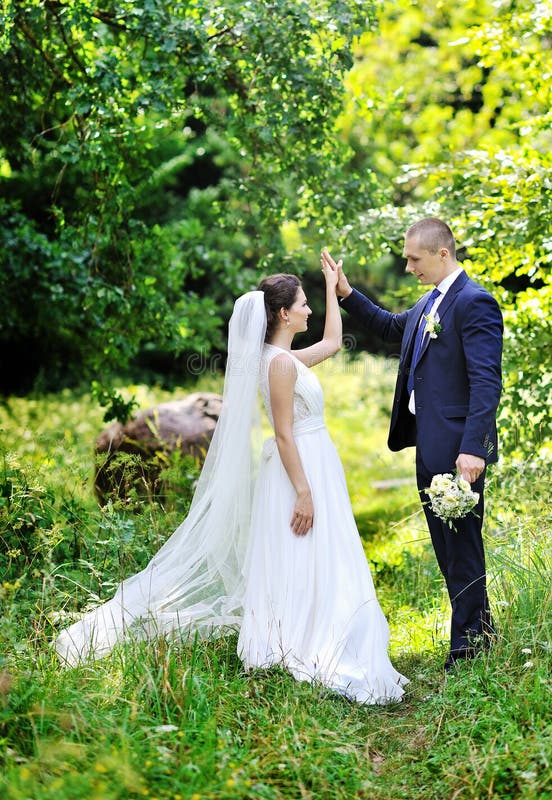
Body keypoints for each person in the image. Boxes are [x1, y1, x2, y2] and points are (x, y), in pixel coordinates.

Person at [54, 254, 408, 705]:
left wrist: (330, 285)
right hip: (300, 466)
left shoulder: (282, 358)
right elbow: (282, 434)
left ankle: (309, 624)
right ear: (283, 314)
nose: (309, 311)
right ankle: (303, 636)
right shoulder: (278, 365)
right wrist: (303, 491)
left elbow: (335, 342)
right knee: (307, 548)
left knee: (316, 551)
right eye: (303, 304)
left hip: (316, 461)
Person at [324, 219, 503, 671]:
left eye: (414, 259)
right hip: (428, 446)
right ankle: (481, 631)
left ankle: (468, 648)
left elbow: (487, 382)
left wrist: (475, 448)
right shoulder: (429, 304)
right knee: (447, 549)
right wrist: (346, 293)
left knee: (462, 547)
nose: (407, 267)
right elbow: (388, 327)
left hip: (460, 452)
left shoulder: (474, 303)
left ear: (443, 254)